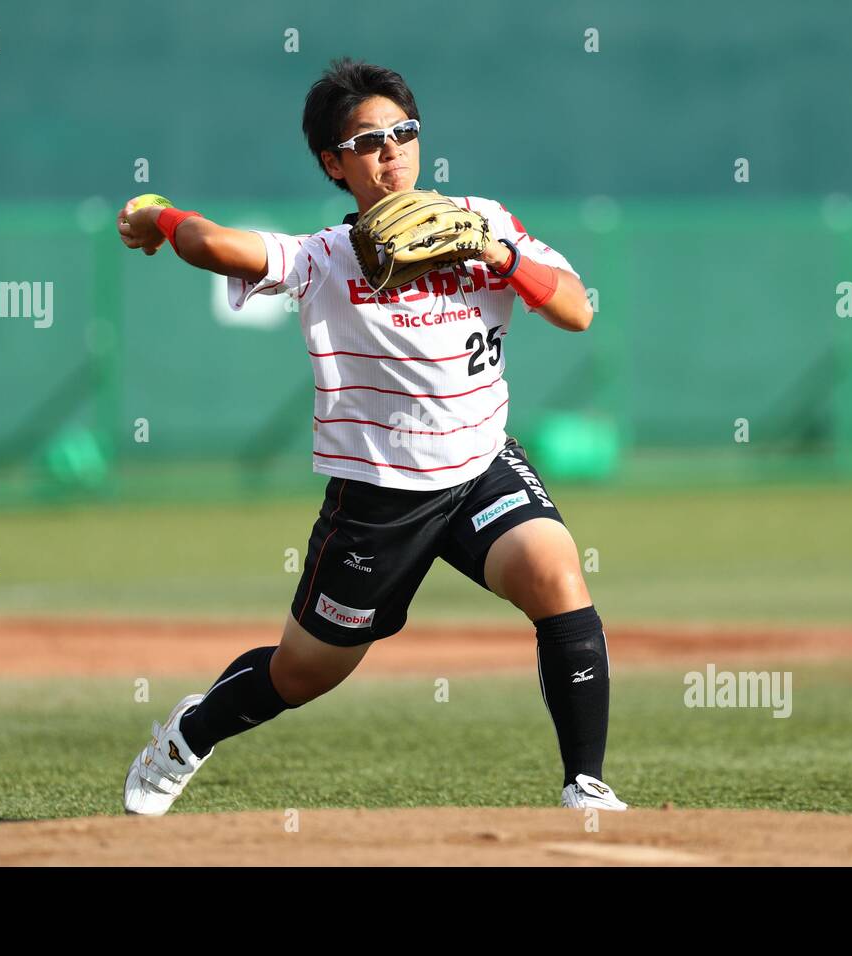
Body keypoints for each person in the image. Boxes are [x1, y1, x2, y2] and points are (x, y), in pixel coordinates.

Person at [117, 57, 626, 815]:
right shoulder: (327, 258)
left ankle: (585, 786)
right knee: (305, 672)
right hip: (380, 499)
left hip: (481, 466)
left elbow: (579, 309)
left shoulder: (484, 222)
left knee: (558, 579)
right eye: (368, 141)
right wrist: (160, 219)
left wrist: (502, 256)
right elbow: (216, 246)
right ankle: (190, 733)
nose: (392, 150)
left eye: (404, 132)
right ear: (334, 162)